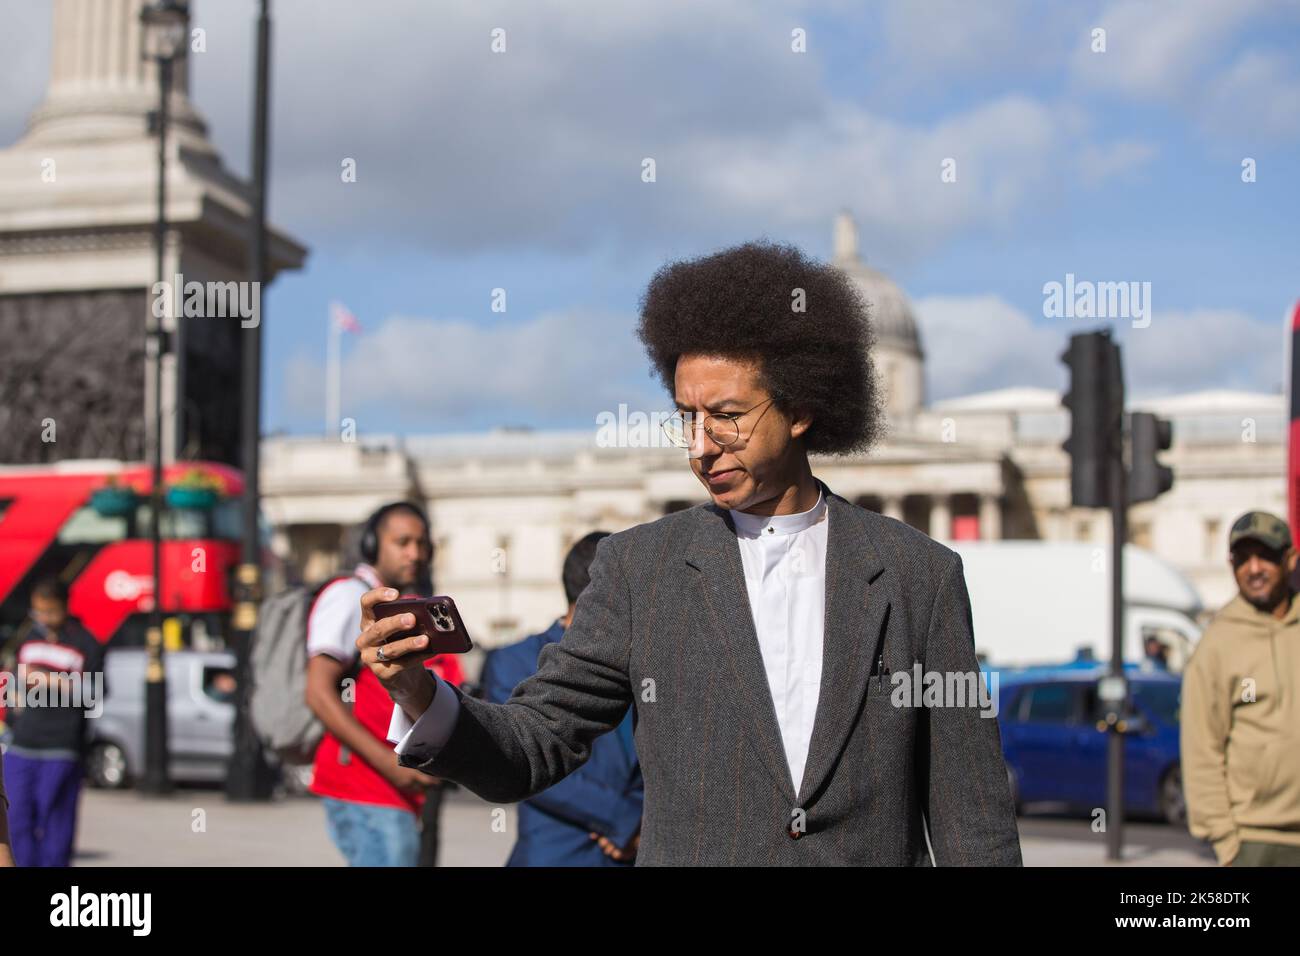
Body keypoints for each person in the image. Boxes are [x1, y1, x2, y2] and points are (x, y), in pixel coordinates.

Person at [363, 241, 1022, 865]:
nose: (700, 446)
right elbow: (536, 742)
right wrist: (420, 693)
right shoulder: (638, 570)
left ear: (800, 410)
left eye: (728, 415)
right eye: (687, 416)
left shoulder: (920, 576)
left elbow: (972, 813)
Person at [480, 532, 643, 866]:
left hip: (638, 852)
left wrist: (644, 824)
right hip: (557, 854)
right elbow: (518, 756)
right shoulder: (515, 661)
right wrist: (624, 820)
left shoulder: (645, 661)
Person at [305, 501, 441, 867]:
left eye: (421, 543)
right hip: (365, 785)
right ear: (371, 544)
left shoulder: (393, 601)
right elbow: (318, 692)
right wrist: (386, 762)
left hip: (395, 790)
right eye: (403, 542)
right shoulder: (350, 595)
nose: (414, 553)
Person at [1182, 510, 1300, 866]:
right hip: (1252, 842)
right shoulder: (1217, 644)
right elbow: (1202, 750)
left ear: (1290, 559)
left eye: (1265, 556)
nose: (1254, 569)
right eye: (1242, 559)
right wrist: (1226, 842)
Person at [2, 576, 105, 867]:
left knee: (56, 823)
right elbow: (14, 688)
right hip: (23, 743)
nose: (43, 618)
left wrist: (52, 681)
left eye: (50, 611)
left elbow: (95, 695)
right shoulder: (28, 639)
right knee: (17, 818)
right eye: (38, 612)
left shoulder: (85, 642)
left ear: (64, 607)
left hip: (62, 745)